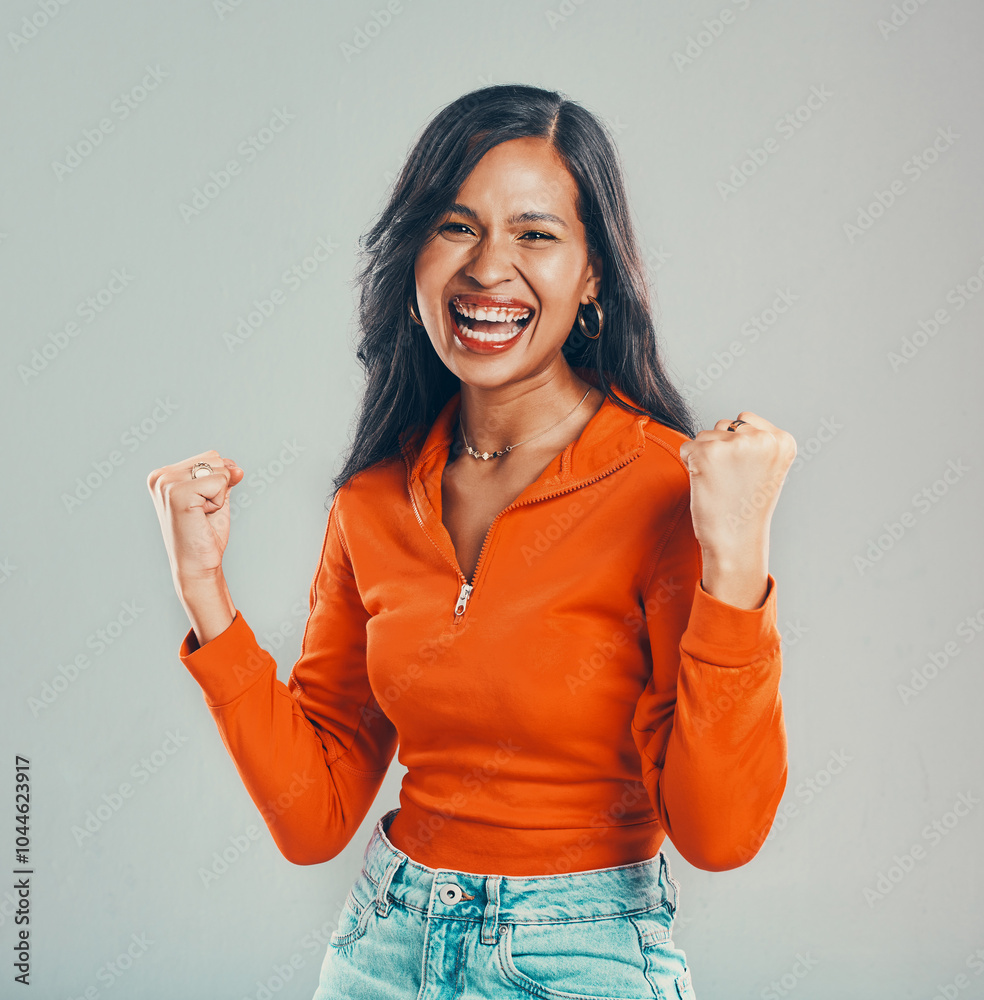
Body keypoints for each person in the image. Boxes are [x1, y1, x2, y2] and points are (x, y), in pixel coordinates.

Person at [146, 83, 796, 1000]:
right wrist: (204, 589)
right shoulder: (371, 501)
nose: (489, 269)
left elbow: (719, 836)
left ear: (595, 273)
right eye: (457, 226)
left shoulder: (667, 492)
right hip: (383, 944)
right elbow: (316, 816)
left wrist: (736, 563)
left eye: (535, 234)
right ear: (413, 255)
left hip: (583, 949)